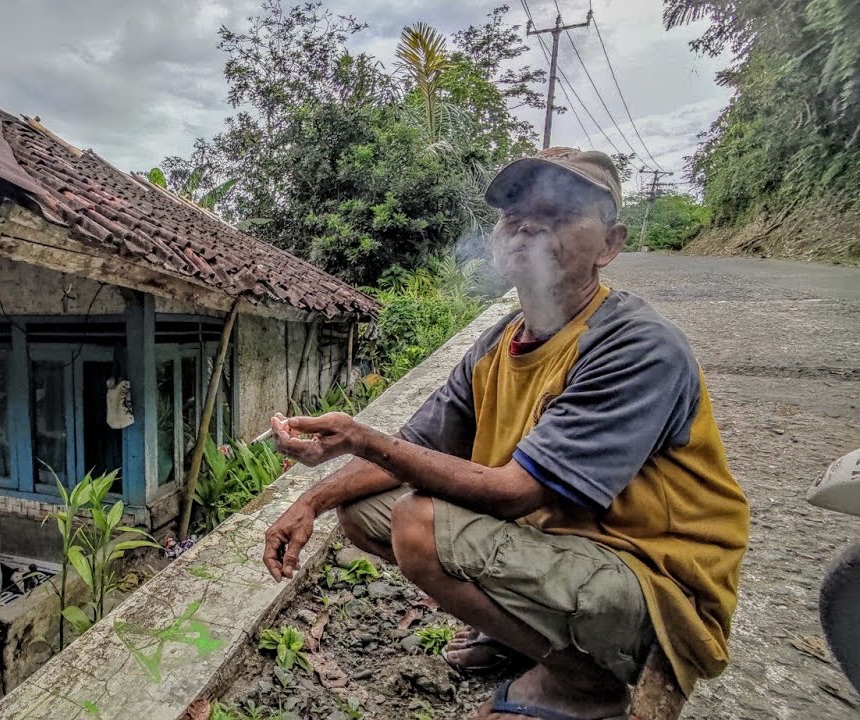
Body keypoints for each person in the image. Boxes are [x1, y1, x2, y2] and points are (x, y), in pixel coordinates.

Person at [262, 147, 750, 720]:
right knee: (361, 506)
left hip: (653, 581)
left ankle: (587, 685)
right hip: (559, 544)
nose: (527, 224)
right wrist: (311, 501)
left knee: (416, 524)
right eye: (511, 212)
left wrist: (362, 438)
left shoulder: (636, 345)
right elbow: (417, 446)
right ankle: (524, 637)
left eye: (561, 212)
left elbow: (516, 492)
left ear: (611, 245)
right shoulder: (498, 343)